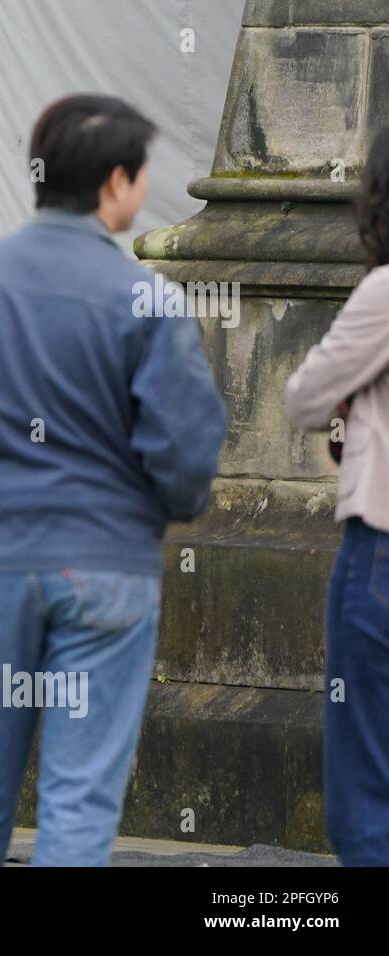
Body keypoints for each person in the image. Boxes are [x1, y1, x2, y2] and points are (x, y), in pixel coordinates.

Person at [0, 94, 226, 866]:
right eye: (141, 173)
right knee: (78, 804)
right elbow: (185, 455)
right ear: (116, 182)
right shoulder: (147, 298)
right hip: (108, 564)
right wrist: (151, 507)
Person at [286, 125, 389, 867]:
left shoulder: (384, 292)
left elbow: (303, 395)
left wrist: (346, 406)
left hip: (381, 548)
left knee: (364, 796)